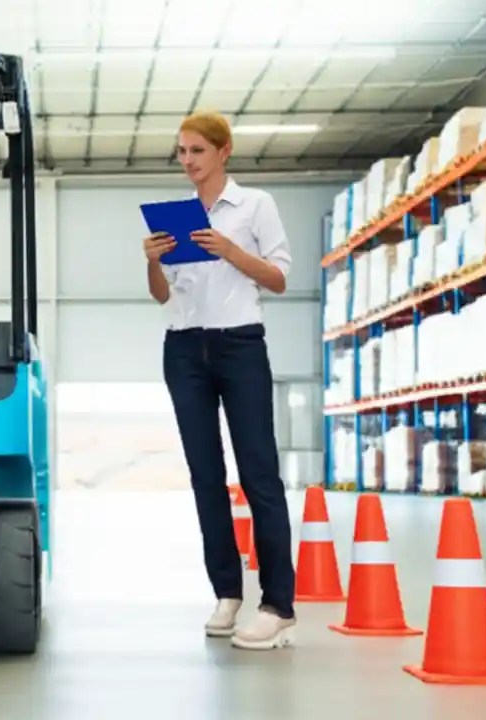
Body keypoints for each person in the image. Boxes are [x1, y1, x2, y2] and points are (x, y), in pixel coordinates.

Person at [142, 110, 297, 650]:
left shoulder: (255, 205)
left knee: (259, 473)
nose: (187, 161)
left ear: (223, 151)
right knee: (205, 476)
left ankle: (278, 605)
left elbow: (278, 277)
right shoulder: (174, 215)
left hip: (239, 345)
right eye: (181, 151)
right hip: (184, 348)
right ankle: (227, 592)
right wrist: (152, 261)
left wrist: (231, 250)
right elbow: (162, 296)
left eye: (196, 151)